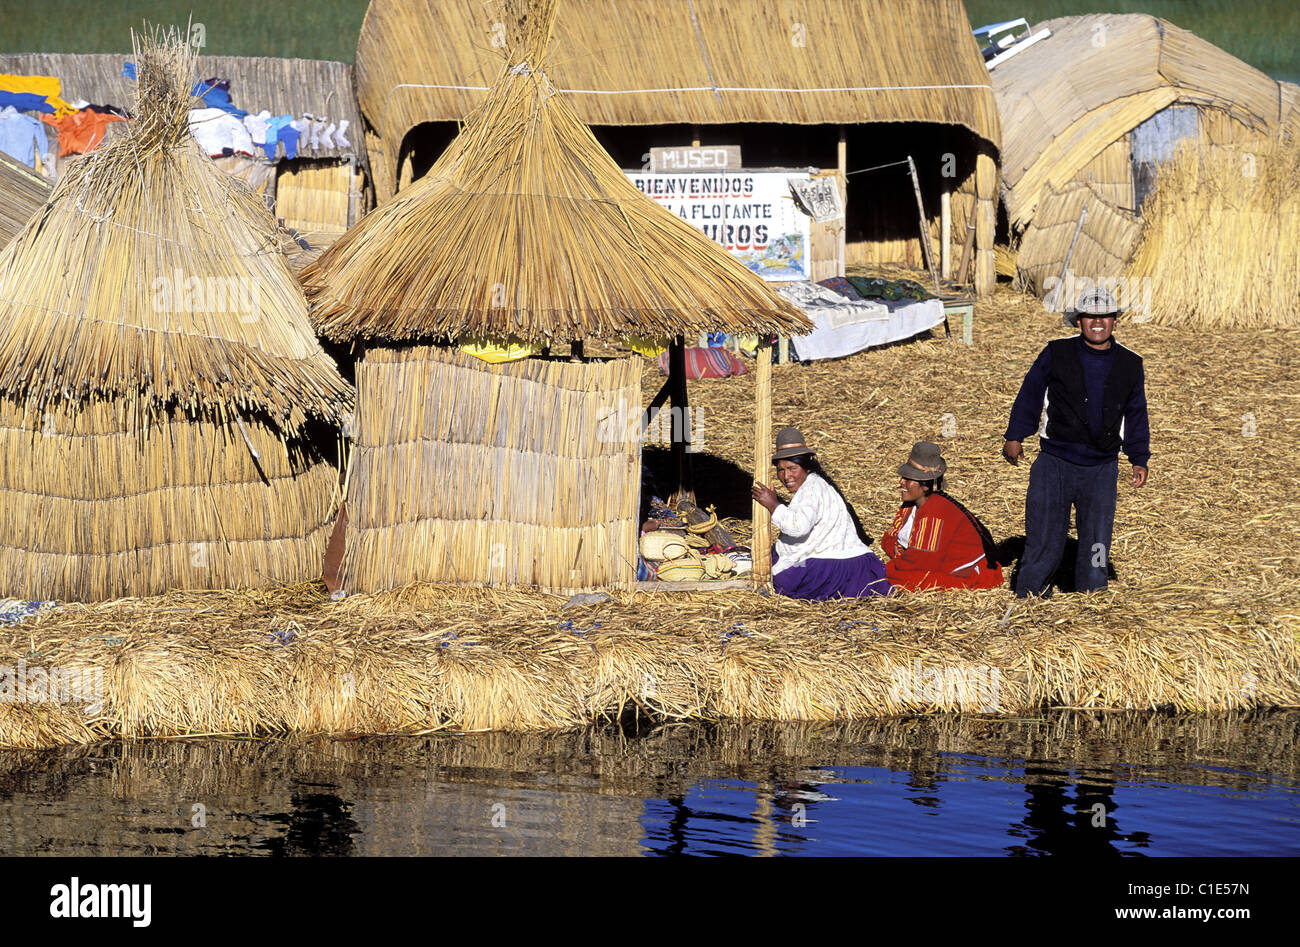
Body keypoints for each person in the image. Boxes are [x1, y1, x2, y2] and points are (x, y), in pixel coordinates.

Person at [1002, 287, 1150, 596]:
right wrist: (1016, 435)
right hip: (1055, 461)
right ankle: (1030, 593)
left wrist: (1138, 457)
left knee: (1097, 538)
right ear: (1078, 321)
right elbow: (1030, 392)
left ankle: (1091, 595)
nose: (1098, 323)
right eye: (1090, 317)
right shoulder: (1056, 352)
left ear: (1114, 321)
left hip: (1101, 467)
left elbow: (1136, 412)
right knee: (1044, 533)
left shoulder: (1130, 363)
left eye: (1105, 316)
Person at [750, 427, 890, 600]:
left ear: (806, 467)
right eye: (781, 470)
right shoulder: (815, 485)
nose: (786, 476)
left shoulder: (812, 489)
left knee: (778, 579)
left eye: (792, 468)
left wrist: (774, 505)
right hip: (850, 565)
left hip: (830, 569)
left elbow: (798, 527)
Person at [880, 442, 1003, 590]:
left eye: (908, 479)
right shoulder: (909, 506)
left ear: (925, 485)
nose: (901, 482)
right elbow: (889, 538)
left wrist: (891, 564)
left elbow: (920, 562)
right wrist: (897, 552)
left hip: (967, 573)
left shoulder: (935, 513)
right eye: (902, 477)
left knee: (895, 578)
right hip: (928, 562)